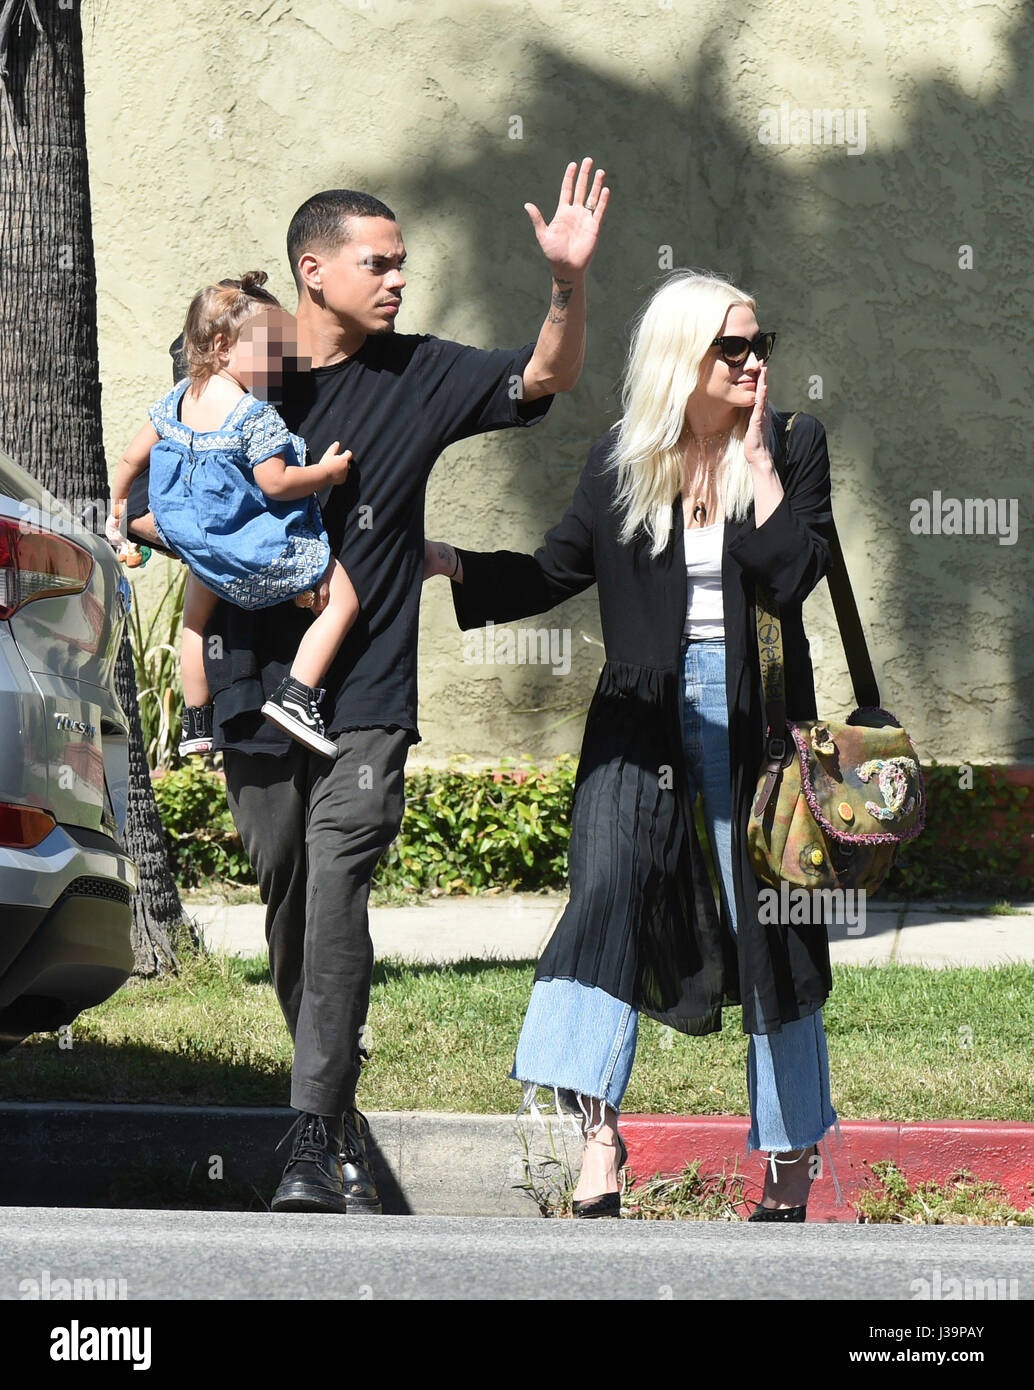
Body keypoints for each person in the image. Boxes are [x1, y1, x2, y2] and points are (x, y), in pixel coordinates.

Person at [124, 160, 610, 1213]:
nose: (397, 279)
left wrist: (565, 286)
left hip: (368, 693)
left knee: (338, 882)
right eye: (376, 263)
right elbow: (165, 482)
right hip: (255, 685)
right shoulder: (244, 367)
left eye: (401, 263)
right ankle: (333, 1104)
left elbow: (542, 379)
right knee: (289, 890)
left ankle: (305, 1136)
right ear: (313, 270)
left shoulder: (422, 373)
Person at [425, 270, 841, 1221]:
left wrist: (763, 475)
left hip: (759, 720)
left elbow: (793, 573)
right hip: (636, 711)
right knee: (608, 894)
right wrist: (452, 563)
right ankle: (597, 1137)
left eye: (758, 343)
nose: (753, 362)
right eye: (730, 348)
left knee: (767, 925)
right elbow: (556, 567)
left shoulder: (793, 444)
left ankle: (788, 1156)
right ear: (680, 360)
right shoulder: (626, 457)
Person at [107, 272, 358, 759]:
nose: (282, 363)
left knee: (195, 624)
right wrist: (326, 473)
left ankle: (196, 722)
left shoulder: (178, 399)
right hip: (249, 548)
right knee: (342, 602)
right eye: (272, 350)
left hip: (198, 546)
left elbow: (130, 460)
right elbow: (276, 483)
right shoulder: (254, 415)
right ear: (223, 346)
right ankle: (297, 697)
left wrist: (117, 515)